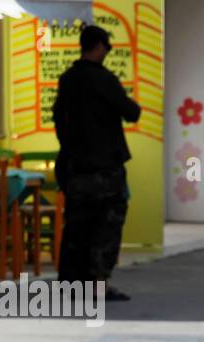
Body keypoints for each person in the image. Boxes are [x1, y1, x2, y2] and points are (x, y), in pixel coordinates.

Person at [52, 24, 141, 300]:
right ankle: (97, 284)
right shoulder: (103, 80)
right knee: (107, 225)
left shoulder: (67, 79)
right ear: (100, 47)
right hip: (105, 169)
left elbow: (58, 119)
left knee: (76, 226)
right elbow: (131, 112)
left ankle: (69, 284)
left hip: (74, 167)